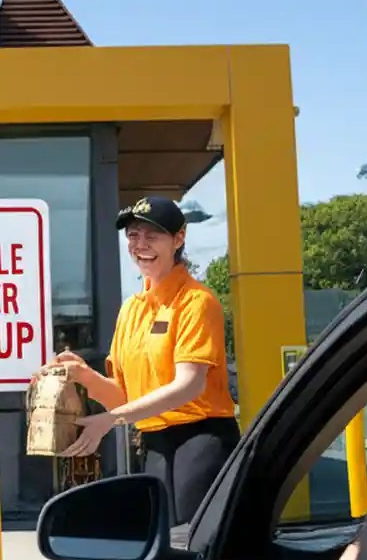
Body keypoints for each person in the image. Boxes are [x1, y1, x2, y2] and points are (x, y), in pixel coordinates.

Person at [38, 195, 239, 526]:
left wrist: (111, 420)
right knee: (162, 542)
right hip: (154, 443)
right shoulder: (131, 309)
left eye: (152, 235)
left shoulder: (197, 302)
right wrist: (83, 375)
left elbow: (189, 386)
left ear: (179, 239)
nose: (140, 244)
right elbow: (124, 397)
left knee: (192, 542)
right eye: (133, 235)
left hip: (200, 440)